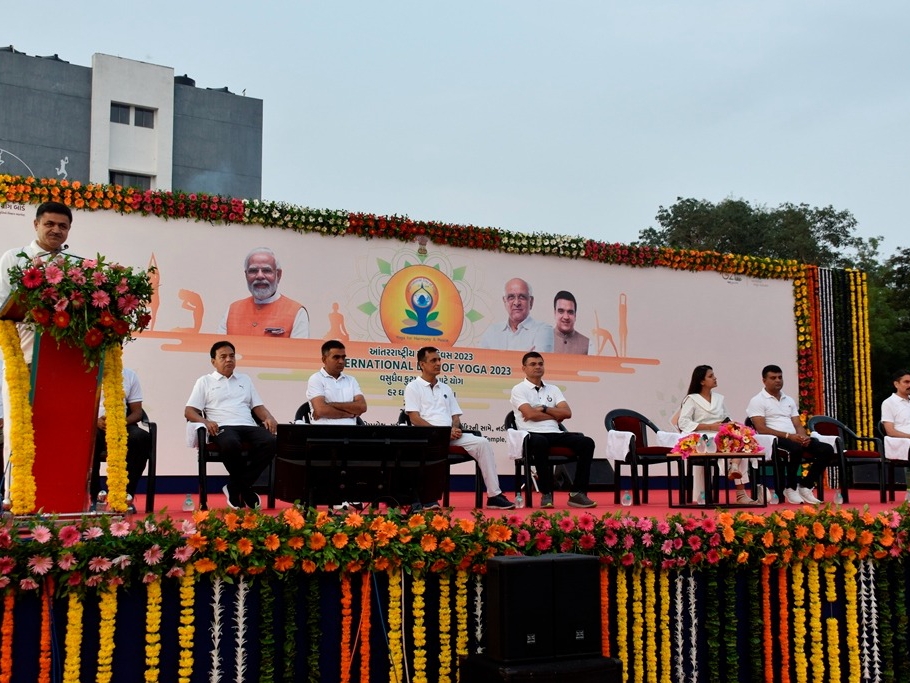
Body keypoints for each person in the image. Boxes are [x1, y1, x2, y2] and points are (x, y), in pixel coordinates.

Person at [404, 346, 515, 510]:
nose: (438, 363)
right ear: (422, 364)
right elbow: (414, 418)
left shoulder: (446, 388)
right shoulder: (413, 387)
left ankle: (494, 495)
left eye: (439, 360)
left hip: (450, 435)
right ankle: (429, 498)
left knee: (482, 443)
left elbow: (455, 417)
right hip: (429, 437)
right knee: (433, 448)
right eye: (433, 360)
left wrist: (454, 429)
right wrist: (442, 432)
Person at [185, 340, 278, 509]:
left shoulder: (245, 379)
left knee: (271, 441)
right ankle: (246, 490)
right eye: (223, 356)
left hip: (247, 425)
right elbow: (189, 411)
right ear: (213, 361)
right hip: (222, 426)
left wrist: (269, 417)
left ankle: (235, 487)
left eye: (232, 356)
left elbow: (257, 406)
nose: (229, 360)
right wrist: (205, 422)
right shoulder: (204, 381)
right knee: (230, 443)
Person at [509, 351, 597, 508]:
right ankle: (546, 493)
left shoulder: (553, 389)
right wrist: (554, 414)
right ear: (524, 368)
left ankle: (577, 493)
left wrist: (543, 408)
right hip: (531, 435)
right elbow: (529, 414)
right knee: (540, 442)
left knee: (586, 443)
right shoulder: (519, 389)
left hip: (555, 433)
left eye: (540, 364)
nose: (538, 367)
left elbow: (567, 413)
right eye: (533, 364)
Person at [746, 364, 834, 505]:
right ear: (764, 380)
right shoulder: (757, 400)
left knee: (827, 449)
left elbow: (797, 424)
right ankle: (790, 487)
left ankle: (805, 485)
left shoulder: (789, 400)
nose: (778, 380)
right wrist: (789, 436)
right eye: (773, 378)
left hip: (794, 437)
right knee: (795, 448)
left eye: (780, 377)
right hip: (774, 439)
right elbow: (761, 428)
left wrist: (803, 437)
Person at [0, 201, 75, 360]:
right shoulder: (14, 257)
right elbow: (2, 303)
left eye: (62, 226)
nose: (56, 230)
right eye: (49, 224)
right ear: (36, 224)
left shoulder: (74, 264)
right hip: (22, 353)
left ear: (69, 229)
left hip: (66, 354)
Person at [677, 365, 759, 505]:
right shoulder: (692, 399)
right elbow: (683, 422)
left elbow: (726, 417)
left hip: (721, 434)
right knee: (732, 445)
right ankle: (734, 469)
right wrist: (710, 426)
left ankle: (736, 477)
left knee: (742, 439)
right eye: (710, 376)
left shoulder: (719, 399)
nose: (715, 378)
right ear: (702, 381)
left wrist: (729, 424)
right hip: (703, 437)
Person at [91, 367, 152, 513]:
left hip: (122, 425)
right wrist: (94, 420)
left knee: (140, 438)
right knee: (89, 440)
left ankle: (126, 496)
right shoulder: (88, 371)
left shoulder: (129, 375)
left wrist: (121, 422)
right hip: (93, 425)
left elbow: (137, 412)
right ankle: (96, 496)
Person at [218, 247, 309, 338]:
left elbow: (300, 351)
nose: (260, 276)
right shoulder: (232, 310)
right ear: (246, 275)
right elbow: (219, 350)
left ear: (278, 275)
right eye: (253, 271)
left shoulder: (296, 312)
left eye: (266, 270)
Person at [479, 278, 553, 351]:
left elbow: (536, 362)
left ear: (531, 302)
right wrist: (525, 357)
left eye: (522, 297)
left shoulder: (544, 330)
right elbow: (481, 361)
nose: (516, 303)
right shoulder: (492, 332)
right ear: (505, 301)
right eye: (511, 297)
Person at [306, 340, 367, 424]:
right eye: (336, 357)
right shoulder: (316, 379)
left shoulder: (351, 380)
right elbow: (321, 410)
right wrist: (350, 414)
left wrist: (329, 405)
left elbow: (362, 407)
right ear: (324, 359)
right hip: (324, 434)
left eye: (343, 357)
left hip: (350, 434)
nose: (341, 361)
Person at [881, 369, 910, 497]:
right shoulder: (888, 403)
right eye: (906, 382)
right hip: (899, 441)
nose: (909, 385)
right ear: (896, 384)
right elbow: (890, 431)